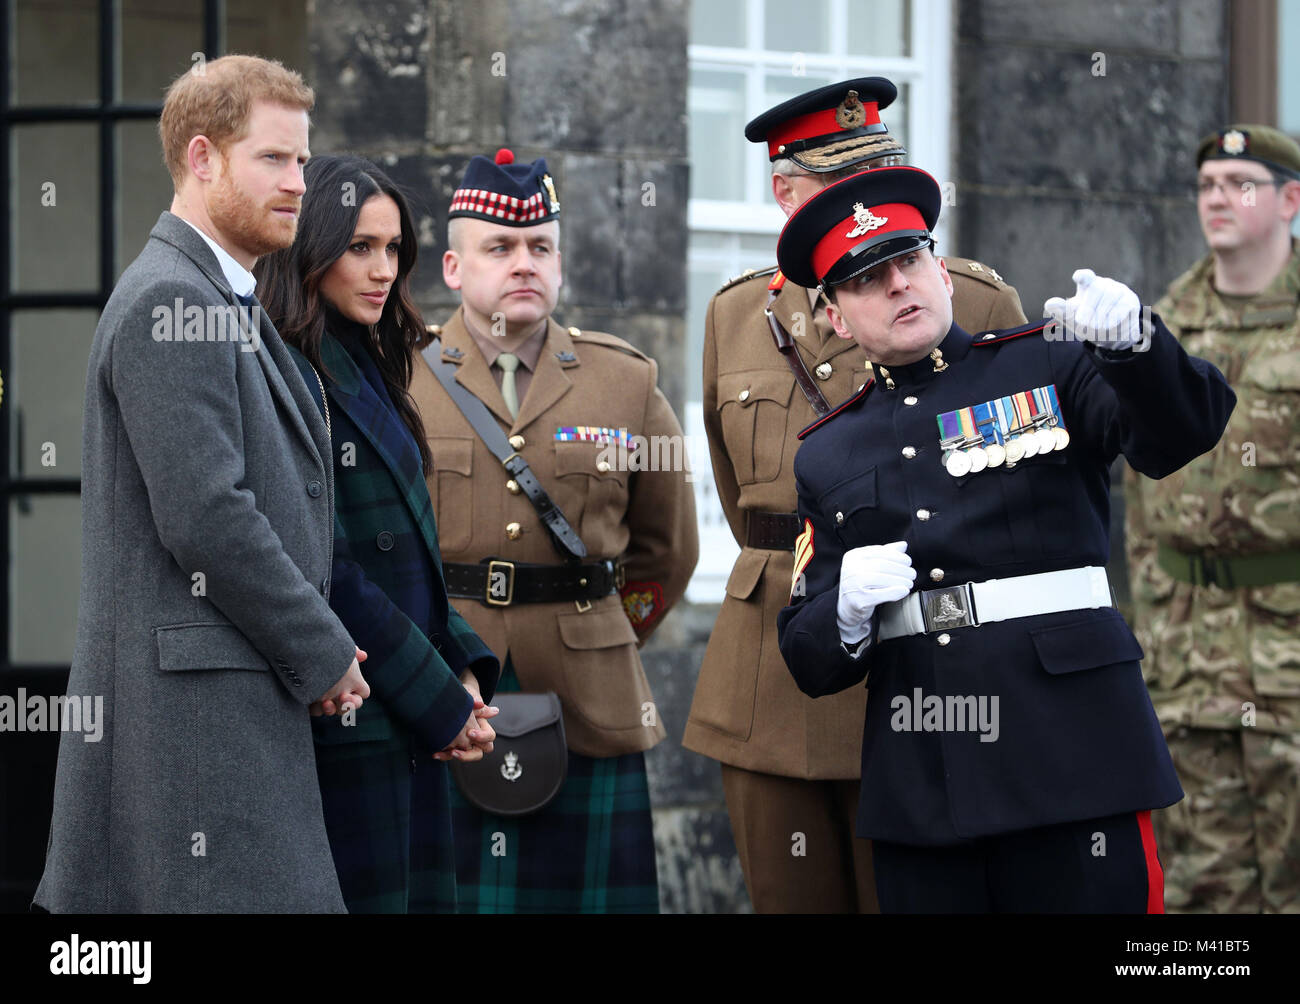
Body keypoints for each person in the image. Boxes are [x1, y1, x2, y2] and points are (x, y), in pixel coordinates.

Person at [775, 165, 1236, 912]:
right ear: (833, 316)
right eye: (868, 278)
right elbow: (807, 656)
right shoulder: (828, 452)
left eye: (909, 260)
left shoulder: (1047, 363)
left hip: (1073, 753)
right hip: (928, 783)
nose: (899, 285)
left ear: (944, 276)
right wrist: (846, 613)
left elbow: (1181, 435)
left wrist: (1136, 345)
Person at [682, 77, 1027, 913]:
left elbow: (1021, 491)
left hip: (927, 664)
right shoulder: (734, 316)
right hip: (773, 673)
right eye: (836, 187)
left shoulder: (970, 298)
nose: (862, 208)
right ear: (784, 193)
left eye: (878, 175)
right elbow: (747, 505)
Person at [34, 55, 369, 913]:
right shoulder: (167, 302)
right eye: (274, 159)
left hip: (225, 706)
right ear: (202, 157)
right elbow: (207, 516)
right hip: (191, 730)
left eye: (302, 160)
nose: (299, 183)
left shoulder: (221, 297)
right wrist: (324, 651)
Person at [407, 149, 699, 913]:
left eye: (540, 247)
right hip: (447, 697)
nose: (523, 263)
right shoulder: (401, 381)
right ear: (453, 267)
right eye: (499, 248)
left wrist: (603, 632)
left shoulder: (624, 380)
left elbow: (668, 549)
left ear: (560, 263)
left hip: (591, 702)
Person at [255, 154, 501, 913]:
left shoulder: (370, 361)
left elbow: (413, 557)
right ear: (312, 246)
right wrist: (437, 696)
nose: (383, 269)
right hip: (351, 712)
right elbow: (325, 564)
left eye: (394, 249)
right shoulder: (289, 368)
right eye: (361, 247)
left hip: (402, 712)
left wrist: (460, 666)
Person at [1125, 125, 1300, 914]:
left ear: (1290, 200)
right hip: (1187, 655)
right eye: (1207, 185)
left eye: (1241, 183)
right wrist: (1151, 628)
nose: (1218, 199)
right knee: (1202, 886)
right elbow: (1139, 502)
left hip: (1290, 649)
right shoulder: (1163, 325)